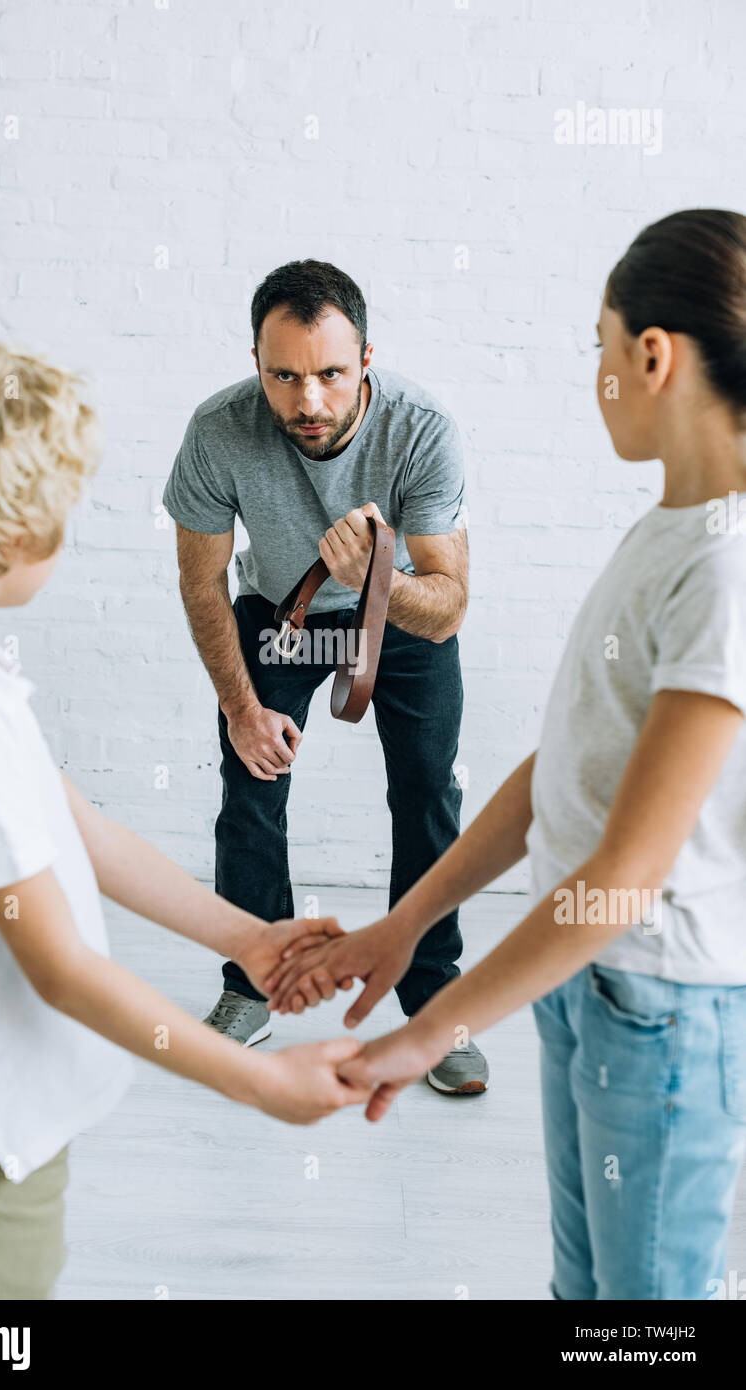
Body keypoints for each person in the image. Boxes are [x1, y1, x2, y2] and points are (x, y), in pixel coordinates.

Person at [265, 210, 746, 1301]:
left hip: (664, 1007)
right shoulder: (667, 534)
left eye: (599, 347)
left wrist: (431, 1029)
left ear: (654, 357)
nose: (599, 373)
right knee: (590, 1302)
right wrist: (406, 922)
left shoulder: (727, 570)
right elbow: (556, 772)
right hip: (591, 990)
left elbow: (622, 881)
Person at [0, 333, 371, 1301]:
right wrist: (265, 1085)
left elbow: (82, 837)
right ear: (16, 532)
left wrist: (251, 936)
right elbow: (60, 968)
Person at [163, 258, 489, 1094]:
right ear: (256, 364)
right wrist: (241, 709)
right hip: (280, 615)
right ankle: (253, 987)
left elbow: (447, 607)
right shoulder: (218, 430)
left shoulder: (421, 428)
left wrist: (378, 574)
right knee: (250, 786)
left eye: (331, 375)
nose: (308, 401)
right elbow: (201, 583)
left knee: (425, 794)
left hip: (402, 618)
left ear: (366, 360)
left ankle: (432, 1004)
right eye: (284, 376)